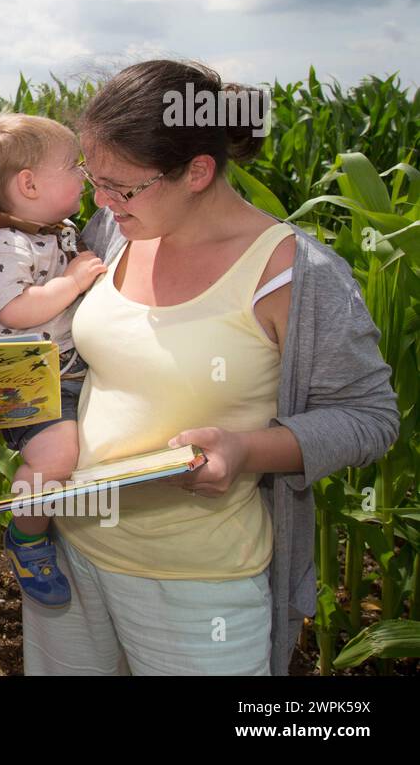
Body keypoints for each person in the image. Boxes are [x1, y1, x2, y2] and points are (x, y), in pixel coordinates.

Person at [22, 60, 399, 675]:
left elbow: (369, 418)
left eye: (122, 185)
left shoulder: (295, 275)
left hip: (197, 584)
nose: (100, 199)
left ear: (198, 171)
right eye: (95, 177)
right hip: (72, 559)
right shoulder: (119, 231)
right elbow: (78, 363)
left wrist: (246, 450)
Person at [0, 113, 107, 607]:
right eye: (74, 167)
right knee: (55, 456)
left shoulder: (59, 229)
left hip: (65, 373)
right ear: (28, 184)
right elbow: (13, 308)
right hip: (30, 383)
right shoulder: (6, 243)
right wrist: (71, 283)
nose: (85, 176)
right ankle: (26, 537)